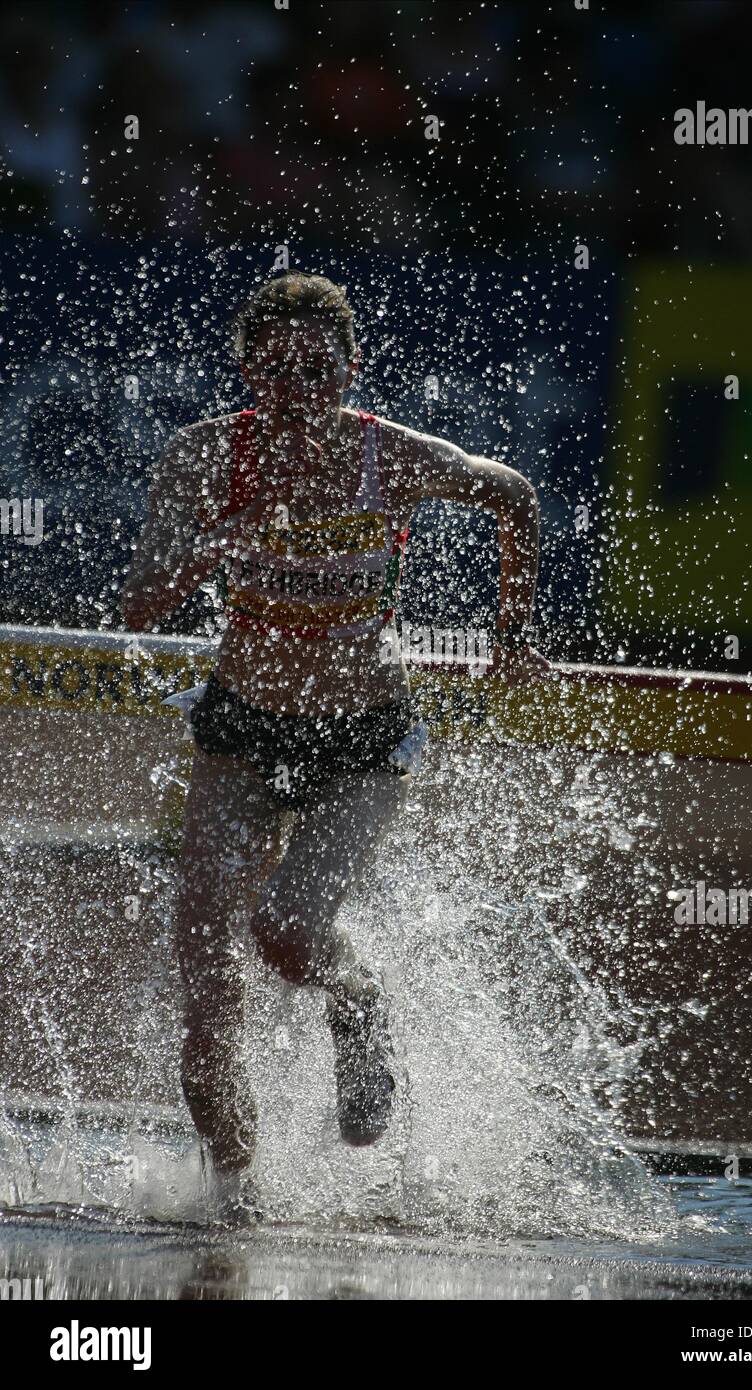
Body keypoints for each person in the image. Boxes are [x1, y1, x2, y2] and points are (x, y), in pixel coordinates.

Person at [120, 272, 551, 1223]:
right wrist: (216, 549)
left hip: (360, 739)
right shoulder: (203, 459)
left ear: (349, 372)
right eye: (275, 373)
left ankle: (355, 997)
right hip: (240, 731)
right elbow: (139, 604)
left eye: (318, 371)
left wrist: (511, 637)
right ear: (246, 374)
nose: (297, 394)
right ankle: (235, 1203)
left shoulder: (387, 458)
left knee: (285, 932)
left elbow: (511, 495)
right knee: (204, 986)